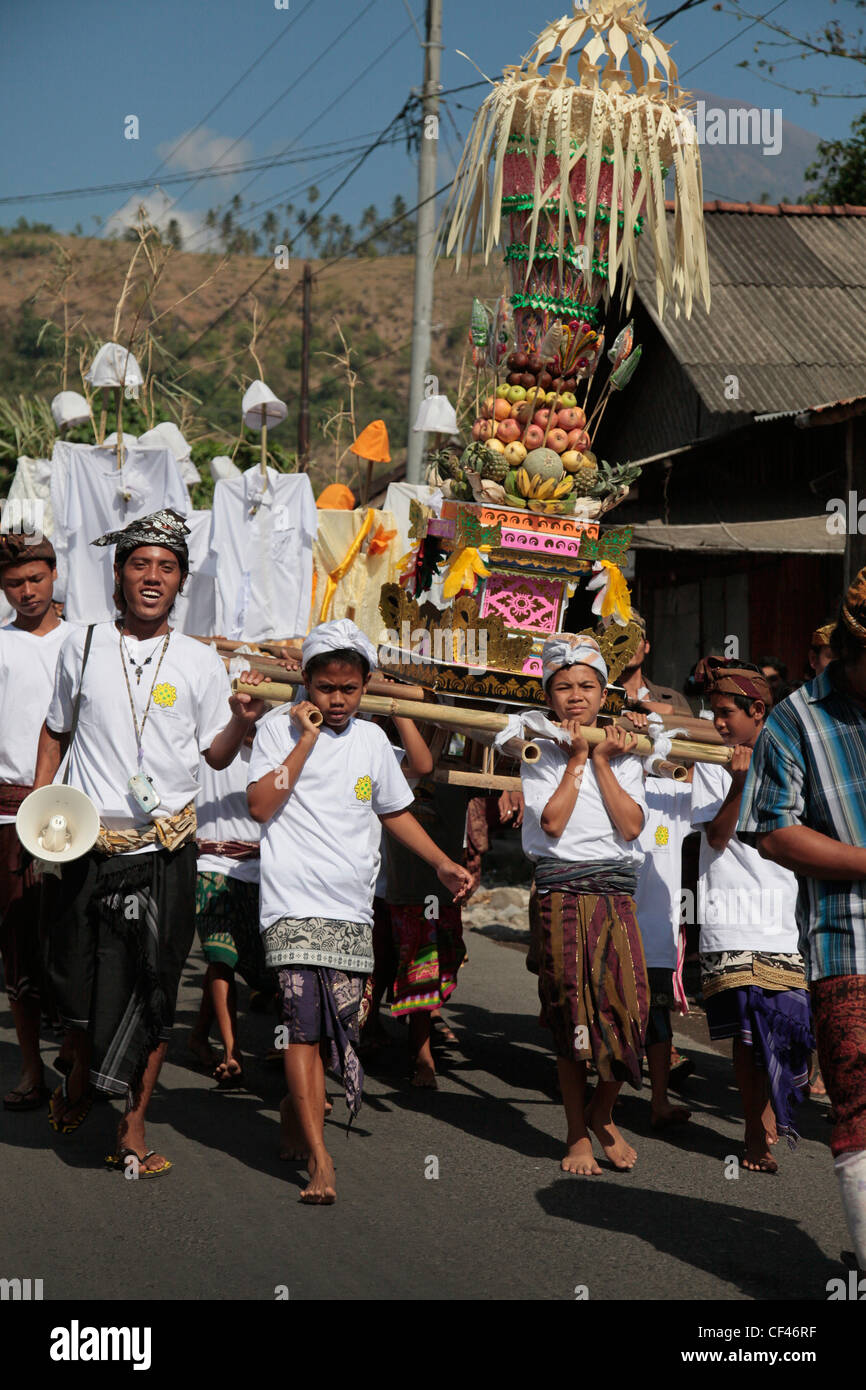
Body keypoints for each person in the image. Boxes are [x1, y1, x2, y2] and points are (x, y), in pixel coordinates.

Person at [34, 509, 269, 1177]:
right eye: (140, 564)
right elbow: (55, 732)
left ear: (180, 584)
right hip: (85, 842)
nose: (152, 576)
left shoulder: (199, 662)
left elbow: (216, 757)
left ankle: (131, 1126)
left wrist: (241, 725)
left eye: (166, 568)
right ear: (117, 575)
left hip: (165, 849)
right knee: (74, 988)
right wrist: (40, 814)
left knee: (155, 990)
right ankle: (81, 1066)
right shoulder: (79, 646)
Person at [247, 618, 472, 1205]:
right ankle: (323, 1160)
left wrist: (443, 863)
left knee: (337, 1025)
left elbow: (395, 811)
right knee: (301, 1025)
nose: (338, 700)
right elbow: (260, 803)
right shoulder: (277, 729)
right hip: (292, 901)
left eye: (349, 689)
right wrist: (305, 738)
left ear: (367, 685)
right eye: (326, 688)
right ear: (306, 682)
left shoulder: (373, 741)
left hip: (351, 907)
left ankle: (298, 1108)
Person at [739, 571, 866, 1270]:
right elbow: (773, 831)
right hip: (849, 941)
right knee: (858, 1099)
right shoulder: (797, 718)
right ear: (851, 648)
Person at [520, 633, 649, 1176]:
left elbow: (632, 825)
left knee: (633, 1009)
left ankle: (602, 1110)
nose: (576, 696)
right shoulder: (536, 742)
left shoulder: (626, 748)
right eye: (564, 687)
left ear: (604, 693)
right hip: (560, 893)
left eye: (587, 686)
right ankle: (575, 1133)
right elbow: (552, 822)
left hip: (615, 893)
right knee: (571, 1012)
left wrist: (600, 760)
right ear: (548, 694)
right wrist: (574, 757)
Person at [691, 657, 812, 1173]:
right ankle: (754, 1128)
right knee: (747, 1036)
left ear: (757, 710)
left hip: (785, 914)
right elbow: (716, 837)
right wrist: (739, 784)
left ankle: (772, 1115)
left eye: (726, 713)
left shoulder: (791, 758)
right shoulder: (703, 760)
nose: (718, 722)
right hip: (731, 913)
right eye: (714, 712)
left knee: (786, 1030)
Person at [0, 536, 68, 1111]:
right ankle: (30, 1067)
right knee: (19, 939)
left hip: (80, 811)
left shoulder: (89, 642)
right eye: (15, 583)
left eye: (36, 579)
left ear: (54, 575)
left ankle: (77, 1053)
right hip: (9, 811)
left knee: (72, 935)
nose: (27, 591)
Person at [188, 736, 275, 1087]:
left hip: (264, 868)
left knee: (265, 967)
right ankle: (232, 1050)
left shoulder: (281, 740)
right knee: (221, 955)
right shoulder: (208, 735)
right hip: (212, 862)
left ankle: (198, 1036)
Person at [634, 768, 693, 1131]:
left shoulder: (672, 790)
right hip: (605, 917)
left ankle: (659, 1100)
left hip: (656, 929)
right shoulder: (601, 773)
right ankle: (595, 1103)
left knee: (657, 1016)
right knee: (601, 1010)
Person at [618, 609, 692, 715]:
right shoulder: (598, 698)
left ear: (646, 646)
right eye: (618, 640)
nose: (627, 646)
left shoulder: (674, 699)